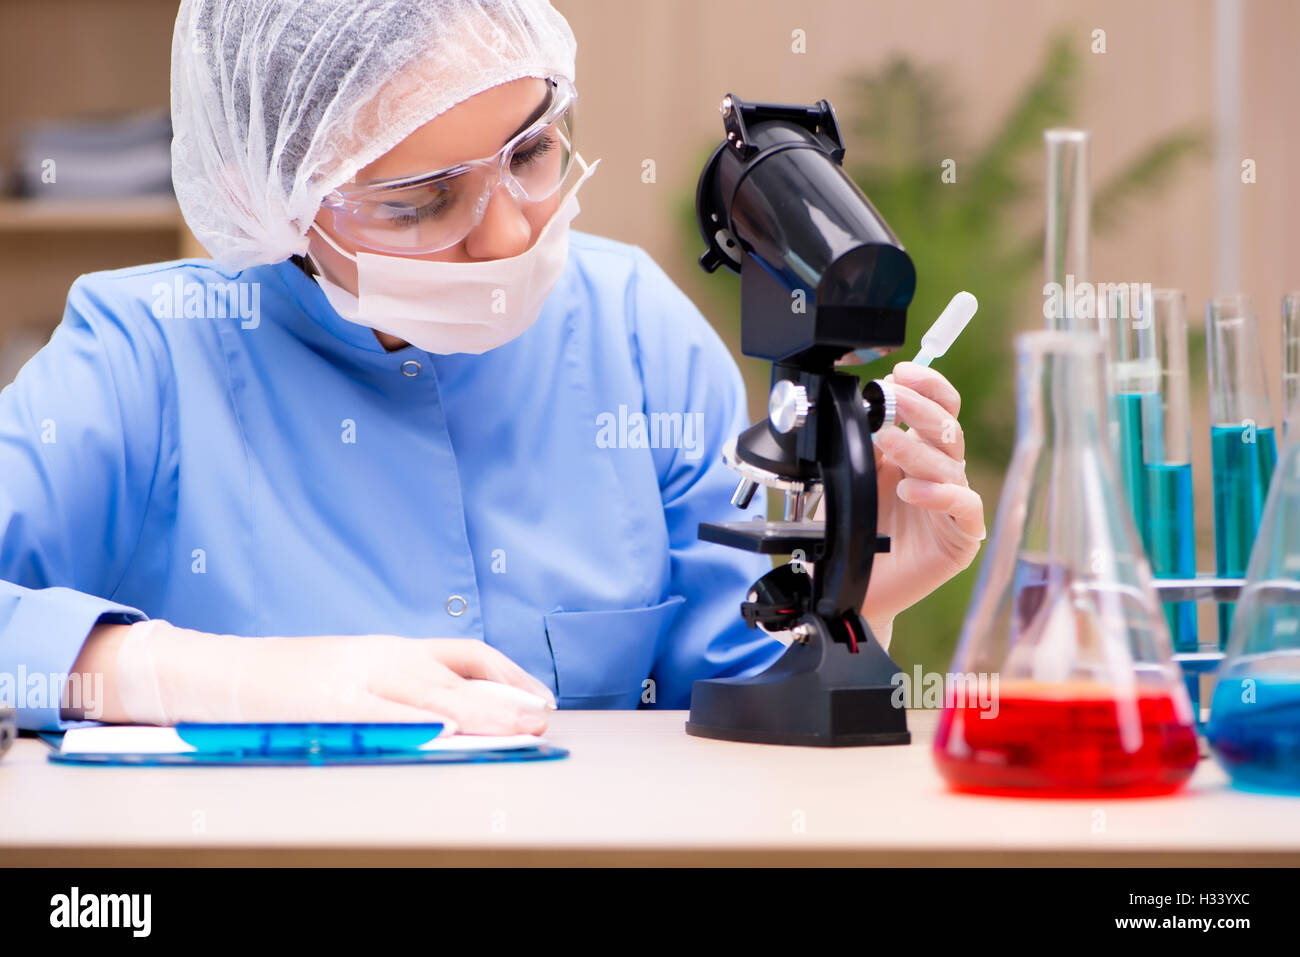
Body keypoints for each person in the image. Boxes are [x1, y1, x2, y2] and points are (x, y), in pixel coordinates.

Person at [0, 0, 984, 736]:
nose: (509, 234)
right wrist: (179, 674)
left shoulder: (632, 329)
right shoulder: (149, 352)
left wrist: (853, 596)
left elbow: (714, 710)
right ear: (262, 196)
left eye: (529, 152)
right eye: (420, 199)